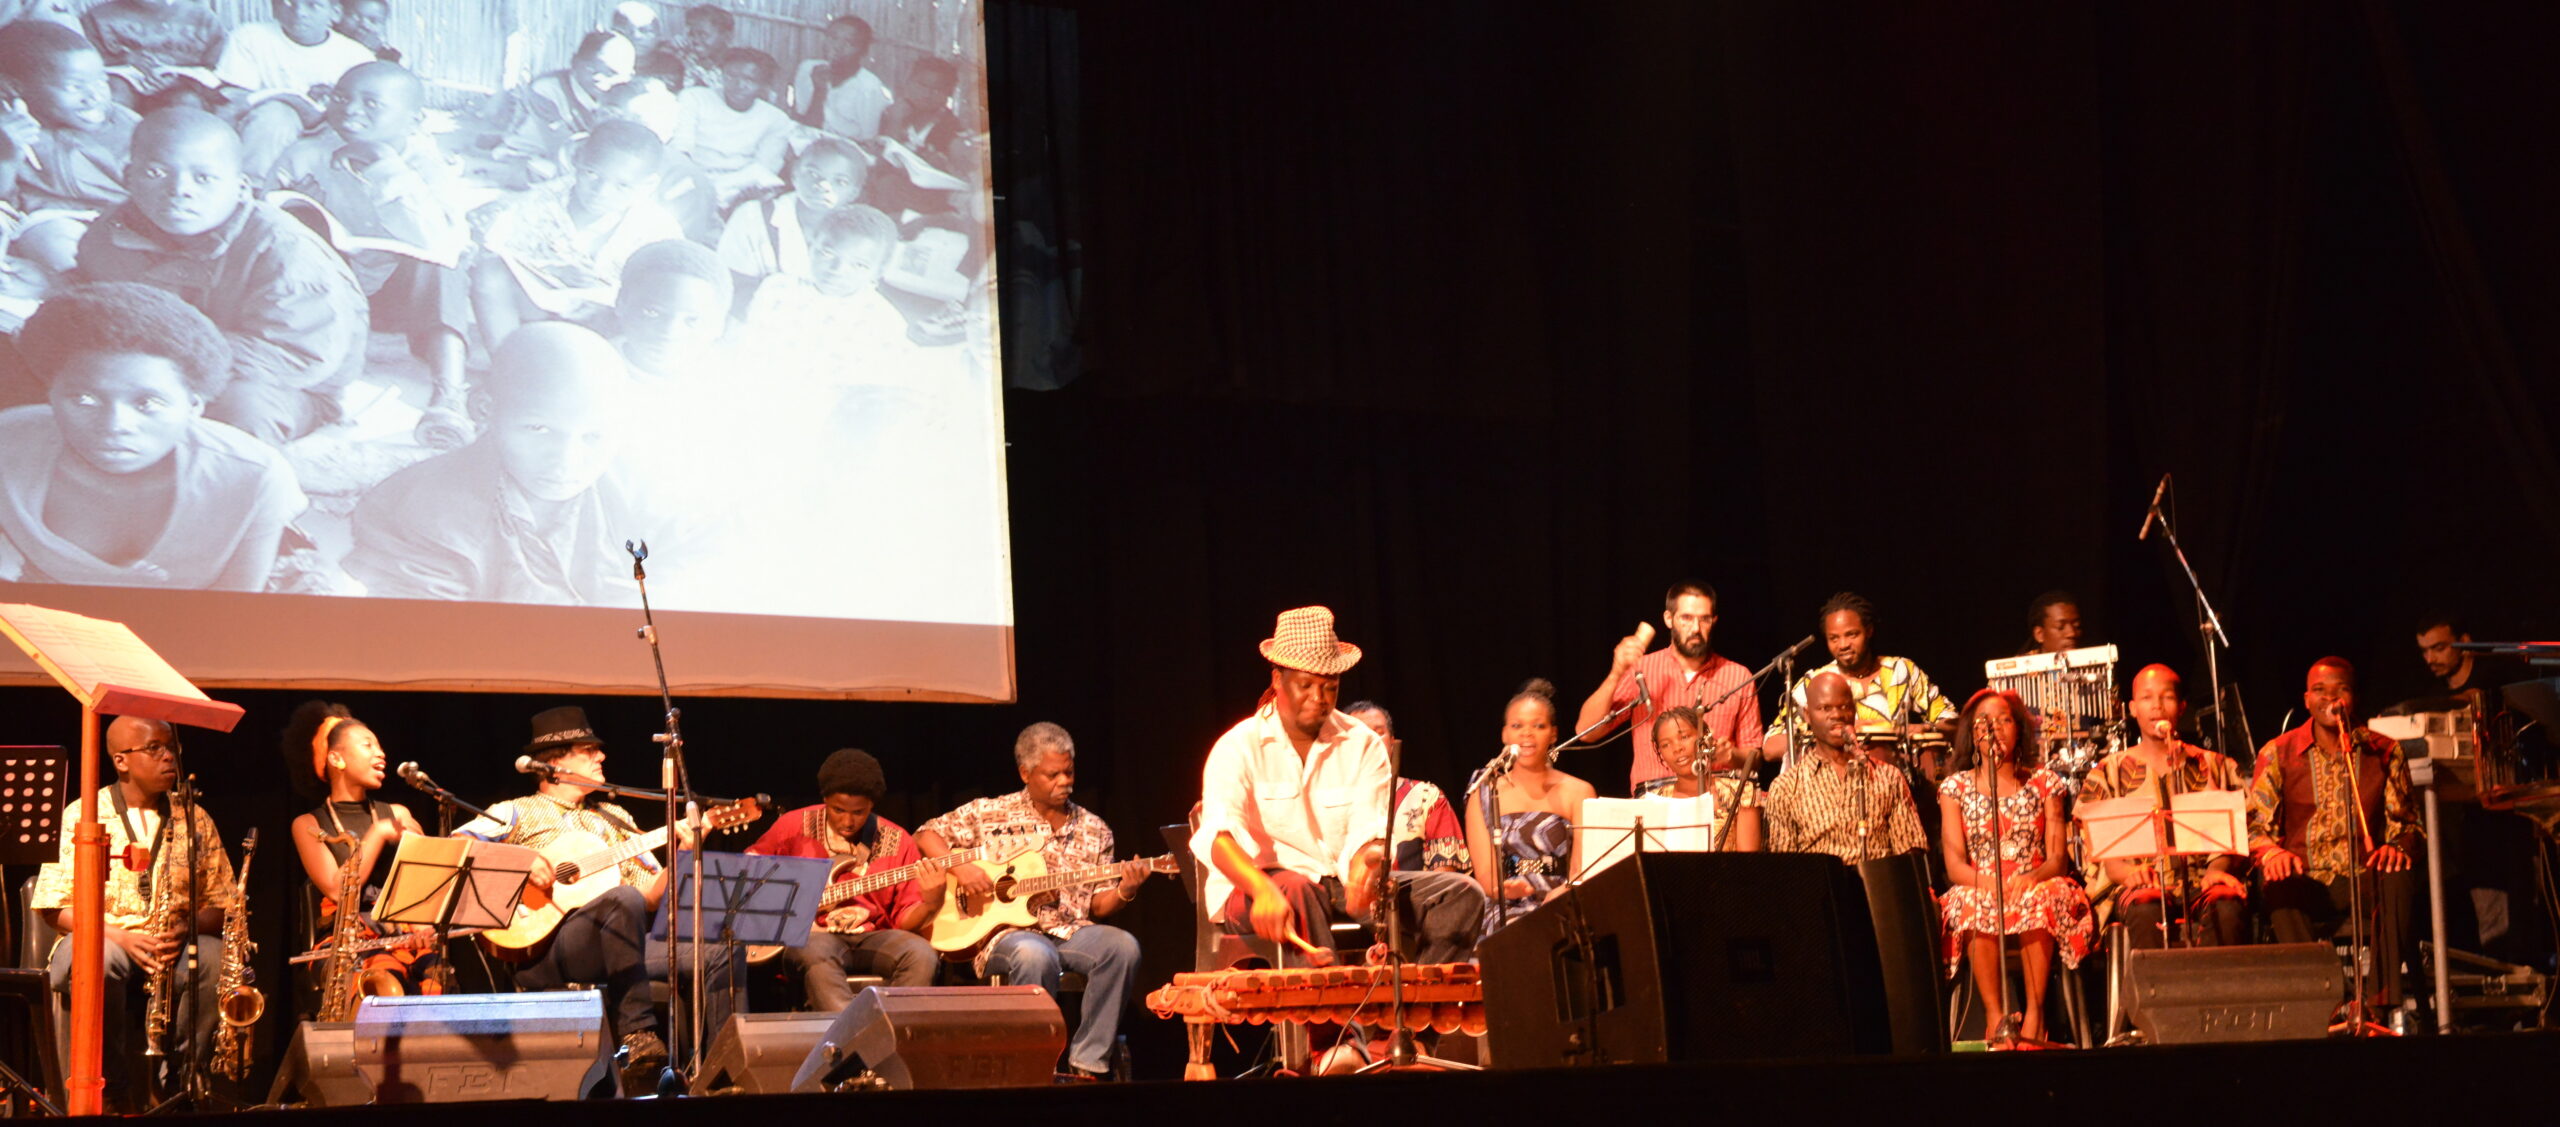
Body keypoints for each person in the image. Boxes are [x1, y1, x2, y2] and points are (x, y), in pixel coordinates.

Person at [453, 706, 727, 1093]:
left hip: (618, 943)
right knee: (621, 898)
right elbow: (458, 845)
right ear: (553, 763)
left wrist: (683, 850)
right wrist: (525, 859)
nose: (602, 756)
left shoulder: (615, 817)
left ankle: (722, 1073)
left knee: (720, 954)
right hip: (545, 947)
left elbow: (649, 897)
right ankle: (639, 1036)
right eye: (587, 750)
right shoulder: (516, 811)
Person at [1194, 607, 1485, 967]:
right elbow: (1219, 839)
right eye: (1306, 685)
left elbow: (1370, 827)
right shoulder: (1238, 746)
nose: (1320, 697)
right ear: (1277, 680)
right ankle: (1330, 1021)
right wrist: (1261, 888)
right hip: (1259, 888)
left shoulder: (1362, 743)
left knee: (1460, 894)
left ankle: (1414, 1008)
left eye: (1330, 687)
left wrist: (1369, 865)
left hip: (1339, 882)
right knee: (1298, 889)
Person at [76, 107, 369, 447]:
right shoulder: (107, 235)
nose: (179, 190)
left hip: (279, 383)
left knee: (242, 412)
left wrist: (164, 366)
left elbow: (298, 356)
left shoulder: (284, 249)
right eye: (156, 172)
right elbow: (91, 304)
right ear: (128, 177)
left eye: (204, 178)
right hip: (144, 372)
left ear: (241, 186)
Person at [0, 282, 303, 590]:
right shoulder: (8, 445)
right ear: (51, 393)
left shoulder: (253, 475)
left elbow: (234, 611)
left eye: (148, 404)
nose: (114, 424)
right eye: (84, 399)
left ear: (193, 405)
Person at [919, 723, 1156, 1080]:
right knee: (1035, 953)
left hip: (1071, 931)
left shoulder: (1095, 829)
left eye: (1069, 771)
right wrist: (963, 866)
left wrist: (1125, 890)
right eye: (1053, 774)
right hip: (1004, 934)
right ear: (1026, 773)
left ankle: (1088, 1064)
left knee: (1122, 947)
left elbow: (1098, 907)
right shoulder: (990, 813)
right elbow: (925, 835)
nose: (1065, 781)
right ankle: (1034, 1065)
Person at [343, 321, 637, 604]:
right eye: (539, 429)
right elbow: (431, 639)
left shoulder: (643, 489)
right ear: (485, 410)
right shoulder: (413, 517)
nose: (566, 461)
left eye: (593, 437)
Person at [30, 716, 235, 1110]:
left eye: (171, 747)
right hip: (105, 939)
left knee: (211, 956)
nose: (168, 757)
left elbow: (222, 903)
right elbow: (55, 908)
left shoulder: (194, 817)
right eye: (154, 748)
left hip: (170, 947)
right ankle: (112, 1091)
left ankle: (185, 1080)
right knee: (97, 958)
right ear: (121, 761)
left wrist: (186, 927)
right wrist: (119, 936)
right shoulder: (83, 815)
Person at [271, 61, 468, 446]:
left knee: (446, 266)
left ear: (414, 121)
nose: (350, 110)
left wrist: (388, 170)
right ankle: (310, 379)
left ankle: (449, 393)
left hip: (400, 299)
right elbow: (268, 214)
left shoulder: (427, 166)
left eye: (371, 103)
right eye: (341, 97)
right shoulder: (305, 154)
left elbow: (440, 241)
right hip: (329, 295)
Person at [2249, 657, 2423, 1008]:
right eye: (2319, 690)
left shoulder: (2384, 750)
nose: (2330, 698)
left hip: (2363, 876)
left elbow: (2408, 826)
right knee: (2278, 886)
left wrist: (2397, 847)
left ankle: (2378, 1005)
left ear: (2353, 698)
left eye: (2340, 689)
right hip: (2307, 879)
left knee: (2398, 876)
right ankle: (2329, 999)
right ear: (2306, 700)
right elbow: (2255, 827)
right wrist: (2273, 853)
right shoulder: (2277, 752)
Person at [1937, 689, 2091, 1043]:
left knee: (2038, 898)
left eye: (2004, 720)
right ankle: (1995, 1016)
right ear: (1972, 734)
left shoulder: (2044, 783)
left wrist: (2031, 876)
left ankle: (2036, 1014)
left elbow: (2057, 858)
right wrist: (1988, 882)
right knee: (1972, 901)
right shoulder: (1955, 787)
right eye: (1984, 722)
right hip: (1980, 881)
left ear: (2018, 728)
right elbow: (1954, 864)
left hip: (2035, 877)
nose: (1995, 729)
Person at [468, 118, 685, 348]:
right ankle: (506, 362)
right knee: (489, 274)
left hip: (611, 321)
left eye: (622, 186)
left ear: (648, 184)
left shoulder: (657, 228)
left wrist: (615, 303)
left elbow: (666, 294)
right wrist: (552, 270)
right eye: (592, 173)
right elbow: (504, 251)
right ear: (577, 160)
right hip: (540, 307)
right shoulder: (542, 202)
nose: (601, 192)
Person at [280, 700, 445, 1003]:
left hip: (405, 932)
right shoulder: (308, 824)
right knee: (381, 980)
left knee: (438, 977)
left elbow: (426, 873)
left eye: (380, 747)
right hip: (346, 942)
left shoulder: (399, 811)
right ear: (336, 759)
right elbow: (337, 889)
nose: (380, 754)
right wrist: (380, 832)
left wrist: (422, 919)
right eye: (368, 745)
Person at [2075, 664, 2250, 947]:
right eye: (2146, 698)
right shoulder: (2108, 772)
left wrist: (2217, 869)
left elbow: (2231, 835)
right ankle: (2154, 990)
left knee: (2227, 905)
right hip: (2141, 884)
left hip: (2200, 881)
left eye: (2166, 697)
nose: (2157, 706)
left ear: (2181, 707)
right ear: (2132, 708)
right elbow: (2102, 851)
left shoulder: (2216, 766)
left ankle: (2217, 988)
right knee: (2145, 906)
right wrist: (2130, 873)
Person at [744, 748, 936, 1006]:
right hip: (814, 936)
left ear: (872, 806)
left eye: (858, 812)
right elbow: (749, 872)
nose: (847, 821)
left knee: (921, 953)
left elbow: (904, 920)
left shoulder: (897, 839)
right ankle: (850, 1037)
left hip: (873, 936)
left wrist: (931, 903)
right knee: (814, 950)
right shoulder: (793, 826)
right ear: (825, 800)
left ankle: (895, 1033)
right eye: (838, 810)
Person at [1574, 579, 1764, 794]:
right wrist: (1616, 673)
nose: (1695, 628)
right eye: (1686, 618)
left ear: (1714, 621)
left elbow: (1755, 757)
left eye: (1704, 619)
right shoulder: (1642, 670)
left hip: (1716, 801)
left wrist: (1732, 756)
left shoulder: (1738, 676)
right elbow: (1586, 732)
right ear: (1668, 619)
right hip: (1655, 799)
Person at [1767, 591, 1956, 775]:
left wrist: (1921, 729)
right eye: (1834, 638)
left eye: (1851, 635)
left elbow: (1954, 724)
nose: (1843, 645)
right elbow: (1770, 748)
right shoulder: (1814, 684)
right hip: (1830, 790)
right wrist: (1830, 734)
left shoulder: (1901, 671)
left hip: (1897, 784)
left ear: (1869, 631)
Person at [1468, 679, 1596, 932]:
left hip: (1563, 899)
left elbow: (1584, 867)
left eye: (1538, 726)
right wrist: (1504, 888)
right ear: (1505, 733)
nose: (1526, 733)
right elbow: (1486, 873)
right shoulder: (1484, 790)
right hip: (1504, 905)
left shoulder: (1579, 791)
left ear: (1553, 734)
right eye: (1517, 726)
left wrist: (1562, 890)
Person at [1764, 671, 1928, 864]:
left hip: (1877, 888)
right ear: (1808, 715)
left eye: (1844, 707)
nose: (1837, 715)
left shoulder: (1888, 777)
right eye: (1825, 708)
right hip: (1822, 889)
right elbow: (1785, 868)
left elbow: (1911, 851)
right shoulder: (1786, 788)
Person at [212, 0, 379, 179]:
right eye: (288, 3)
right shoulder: (250, 37)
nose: (299, 12)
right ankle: (257, 188)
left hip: (328, 128)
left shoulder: (357, 56)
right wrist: (287, 99)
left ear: (335, 13)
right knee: (276, 116)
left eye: (313, 5)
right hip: (267, 133)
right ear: (274, 7)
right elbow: (234, 99)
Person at [0, 19, 140, 213]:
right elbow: (6, 202)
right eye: (75, 86)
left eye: (101, 81)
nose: (95, 97)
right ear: (15, 87)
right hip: (60, 222)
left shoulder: (124, 122)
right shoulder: (12, 134)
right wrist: (6, 158)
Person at [715, 135, 864, 311]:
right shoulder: (752, 217)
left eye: (840, 181)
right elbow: (731, 286)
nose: (823, 185)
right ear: (794, 175)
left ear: (854, 193)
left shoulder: (861, 236)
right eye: (813, 173)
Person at [1344, 701, 1467, 874]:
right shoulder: (1328, 798)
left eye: (1378, 733)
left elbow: (1444, 876)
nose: (1371, 741)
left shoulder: (1427, 796)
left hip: (1411, 894)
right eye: (1360, 734)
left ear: (1393, 742)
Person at [669, 47, 790, 207]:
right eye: (731, 76)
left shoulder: (776, 119)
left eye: (750, 79)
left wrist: (723, 188)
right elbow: (681, 147)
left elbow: (764, 166)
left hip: (739, 183)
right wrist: (695, 180)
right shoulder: (694, 97)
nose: (739, 85)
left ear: (763, 84)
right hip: (693, 175)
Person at [1632, 706, 1764, 851]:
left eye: (1684, 737)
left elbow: (1748, 864)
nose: (1677, 748)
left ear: (1704, 739)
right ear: (1660, 753)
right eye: (1665, 745)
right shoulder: (1651, 801)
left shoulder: (1740, 793)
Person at [79, 0, 227, 111]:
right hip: (123, 85)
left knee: (186, 102)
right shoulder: (98, 17)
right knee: (114, 93)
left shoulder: (203, 18)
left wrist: (181, 81)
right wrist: (124, 60)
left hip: (180, 88)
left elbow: (219, 73)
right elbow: (84, 64)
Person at [789, 15, 889, 140]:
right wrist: (819, 91)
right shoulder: (807, 69)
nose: (837, 46)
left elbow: (868, 142)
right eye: (833, 38)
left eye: (850, 43)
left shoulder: (869, 88)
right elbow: (801, 124)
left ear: (864, 51)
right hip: (806, 144)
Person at [2415, 612, 2528, 711]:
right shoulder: (2433, 693)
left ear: (2464, 641)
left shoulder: (2498, 674)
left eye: (2439, 648)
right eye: (2424, 651)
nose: (2430, 659)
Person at [674, 4, 733, 92]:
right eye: (691, 34)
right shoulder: (686, 61)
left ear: (726, 37)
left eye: (703, 35)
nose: (695, 40)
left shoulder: (735, 69)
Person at [2020, 590, 2085, 656]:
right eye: (2060, 627)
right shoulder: (2022, 665)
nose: (2072, 633)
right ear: (2039, 634)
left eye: (2077, 626)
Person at [334, 0, 399, 63]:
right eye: (355, 17)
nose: (364, 25)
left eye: (373, 21)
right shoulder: (331, 45)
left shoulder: (389, 56)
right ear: (338, 14)